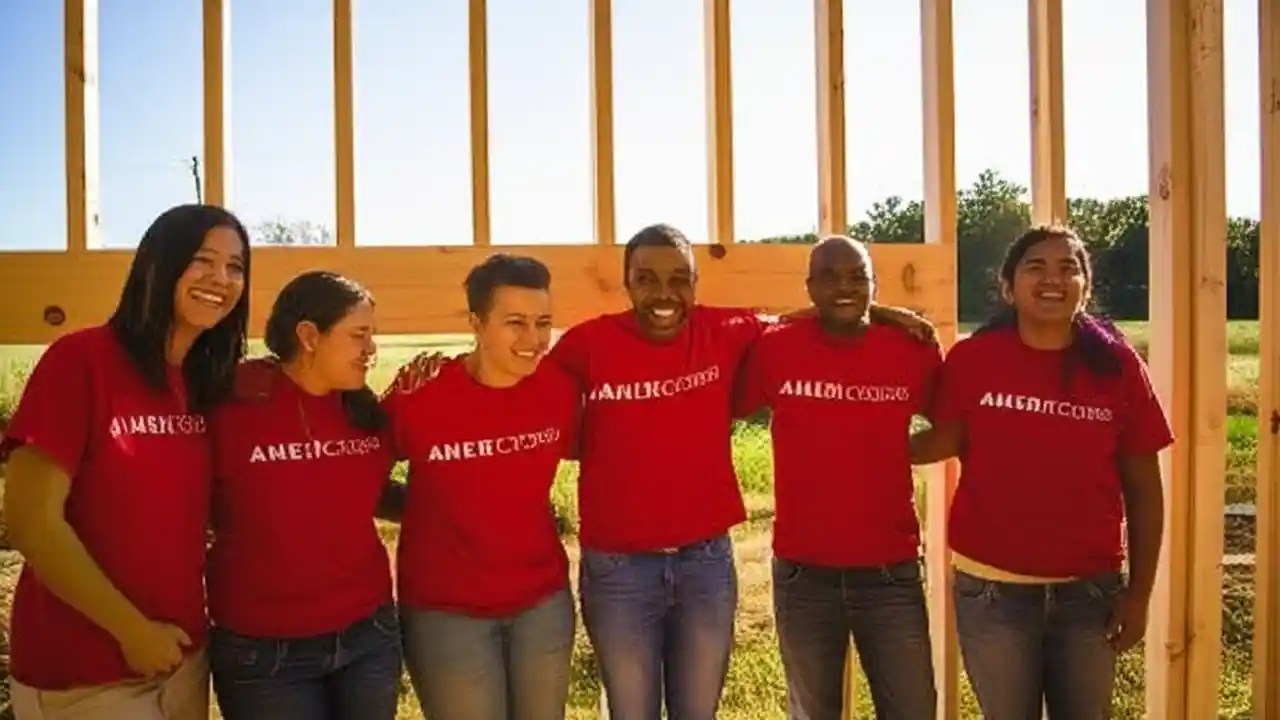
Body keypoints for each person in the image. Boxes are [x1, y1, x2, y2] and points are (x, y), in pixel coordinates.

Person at [545, 223, 935, 720]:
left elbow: (814, 314)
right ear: (627, 284)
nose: (664, 293)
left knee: (698, 711)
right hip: (619, 567)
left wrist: (880, 312)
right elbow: (533, 397)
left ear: (695, 283)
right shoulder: (587, 344)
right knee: (630, 710)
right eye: (646, 279)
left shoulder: (727, 331)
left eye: (679, 278)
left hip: (704, 560)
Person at [1, 204, 251, 720]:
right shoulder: (80, 361)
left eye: (236, 267)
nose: (221, 279)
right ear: (157, 265)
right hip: (85, 671)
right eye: (202, 260)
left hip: (181, 659)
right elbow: (31, 522)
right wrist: (132, 631)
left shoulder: (205, 385)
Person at [910, 225, 1170, 718]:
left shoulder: (1117, 367)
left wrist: (1138, 595)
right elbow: (946, 440)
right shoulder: (974, 359)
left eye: (1069, 267)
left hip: (1089, 594)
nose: (1054, 277)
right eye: (1036, 267)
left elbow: (1145, 491)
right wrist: (865, 439)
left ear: (1085, 287)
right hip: (992, 592)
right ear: (1008, 288)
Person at [735, 236, 940, 720]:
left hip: (890, 571)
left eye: (857, 277)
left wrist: (898, 451)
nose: (844, 287)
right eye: (828, 277)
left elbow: (954, 423)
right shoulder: (776, 347)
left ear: (874, 285)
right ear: (808, 287)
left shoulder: (910, 350)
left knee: (913, 709)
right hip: (804, 574)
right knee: (812, 711)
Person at [383, 254, 579, 720]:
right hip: (447, 610)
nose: (533, 339)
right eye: (515, 323)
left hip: (542, 602)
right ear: (476, 322)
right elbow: (358, 478)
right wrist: (430, 509)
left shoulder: (558, 389)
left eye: (543, 323)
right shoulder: (421, 394)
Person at [204, 271, 402, 719]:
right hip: (264, 651)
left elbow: (369, 492)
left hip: (367, 635)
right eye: (359, 335)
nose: (371, 349)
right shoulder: (232, 402)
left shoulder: (363, 410)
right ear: (309, 336)